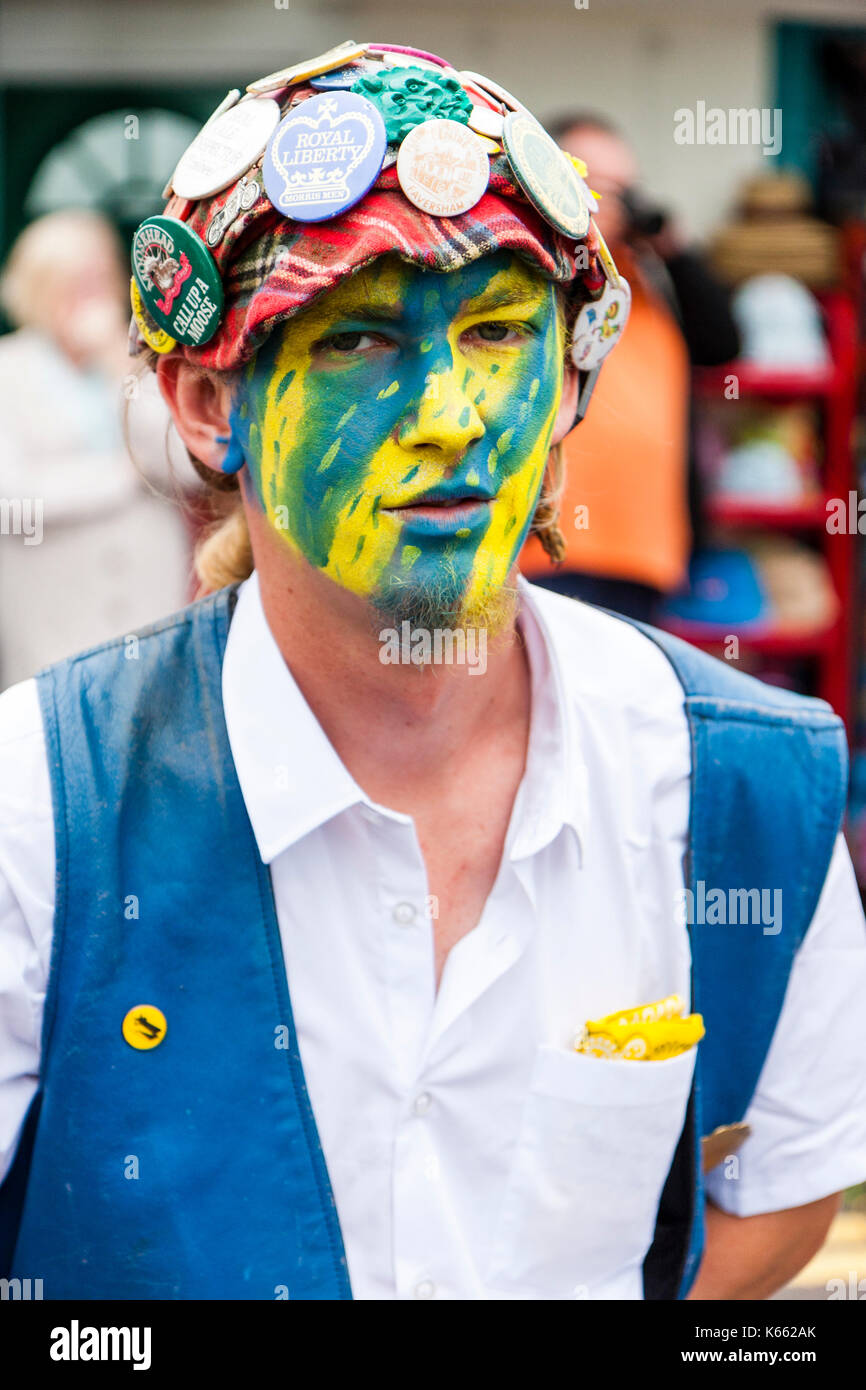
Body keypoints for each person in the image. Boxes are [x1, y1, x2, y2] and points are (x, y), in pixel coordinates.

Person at [0, 45, 864, 1303]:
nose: (451, 411)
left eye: (500, 329)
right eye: (357, 341)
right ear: (205, 403)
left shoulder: (745, 786)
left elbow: (779, 1192)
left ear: (569, 380)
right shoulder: (38, 804)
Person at [521, 114, 740, 622]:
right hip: (543, 543)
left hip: (646, 551)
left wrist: (671, 243)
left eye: (623, 190)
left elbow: (722, 343)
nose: (610, 202)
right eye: (593, 183)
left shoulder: (652, 277)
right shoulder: (535, 265)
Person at [0, 209, 196, 689]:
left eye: (102, 277)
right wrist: (124, 477)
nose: (94, 295)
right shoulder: (10, 370)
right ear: (40, 287)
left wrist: (119, 365)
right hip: (51, 617)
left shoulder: (137, 367)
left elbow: (186, 466)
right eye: (76, 282)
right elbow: (11, 497)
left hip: (153, 611)